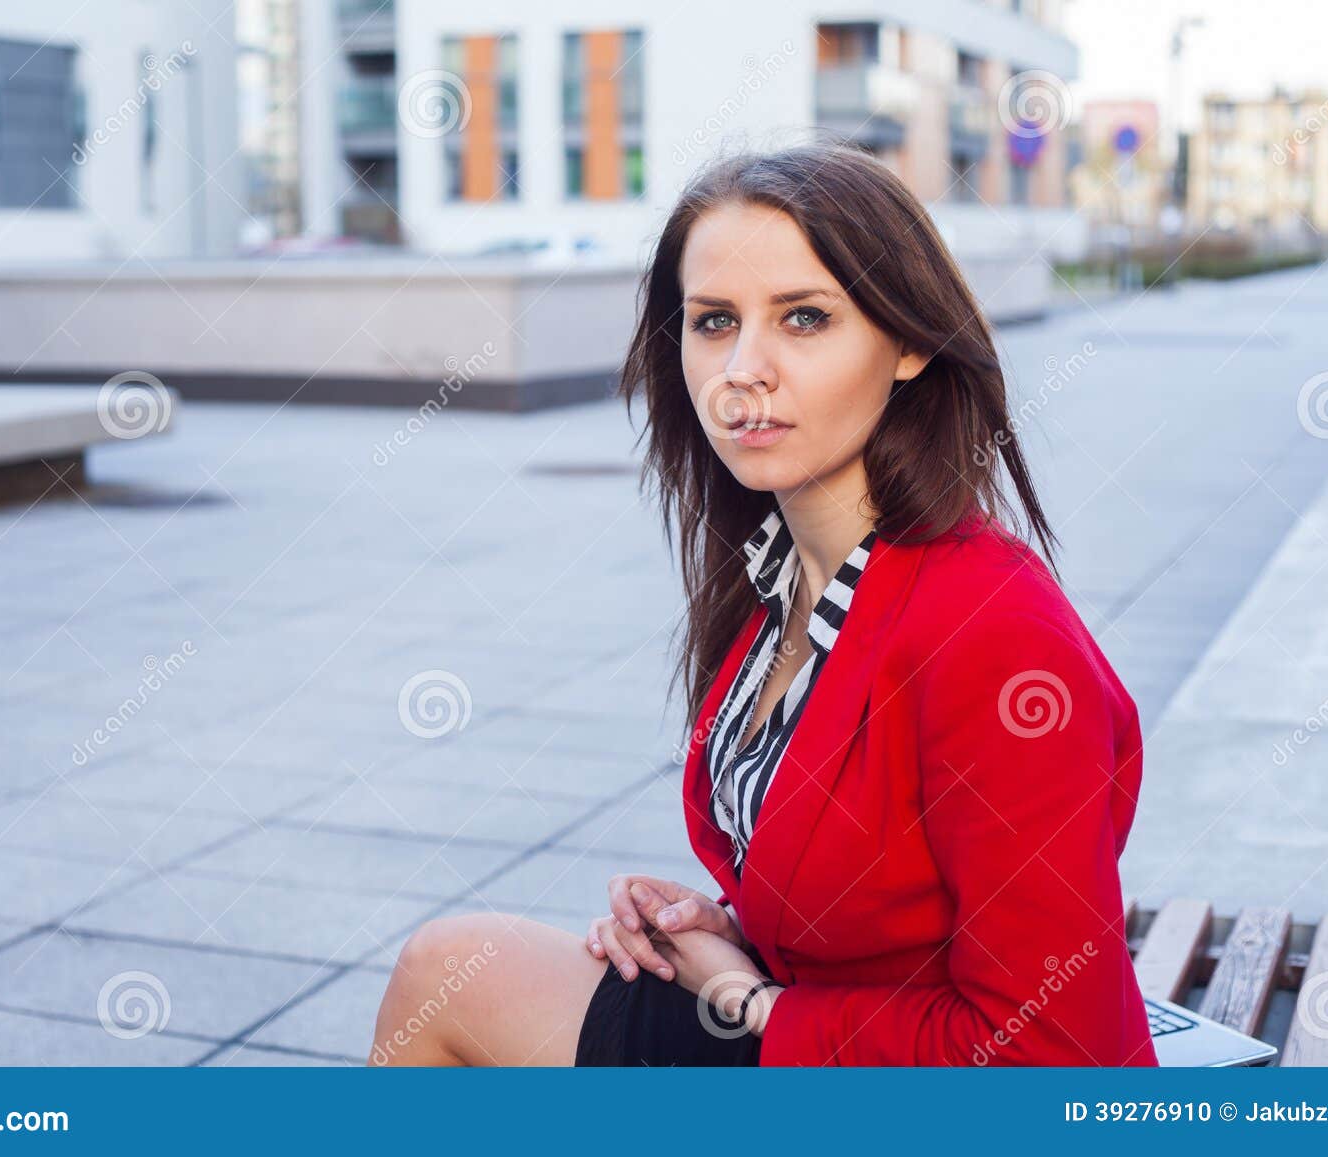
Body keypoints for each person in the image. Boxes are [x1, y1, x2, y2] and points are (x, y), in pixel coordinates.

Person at [369, 141, 1158, 1067]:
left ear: (907, 342)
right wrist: (729, 926)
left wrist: (746, 997)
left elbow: (1056, 1052)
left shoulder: (994, 635)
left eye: (805, 318)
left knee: (446, 974)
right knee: (444, 973)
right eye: (713, 322)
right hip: (820, 1021)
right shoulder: (783, 579)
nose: (744, 368)